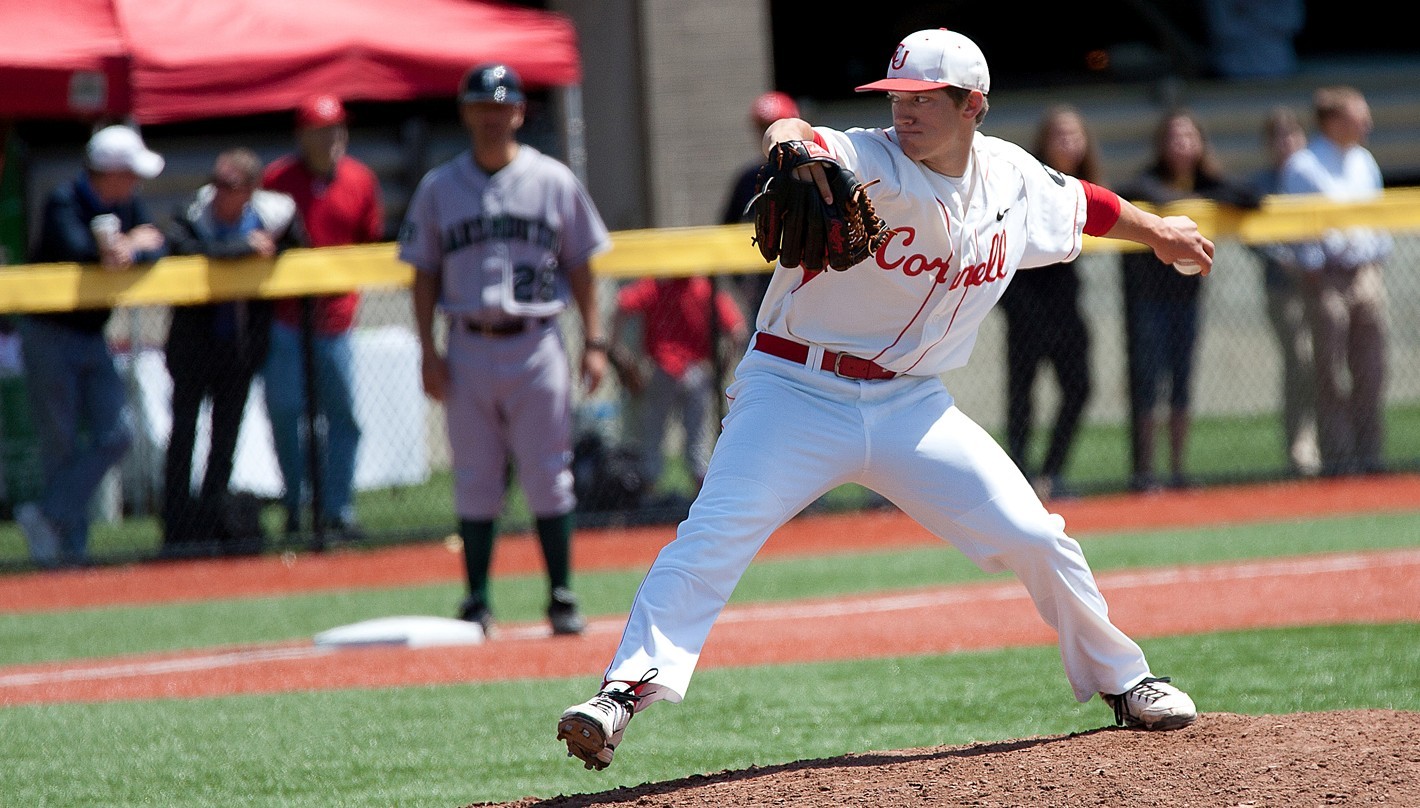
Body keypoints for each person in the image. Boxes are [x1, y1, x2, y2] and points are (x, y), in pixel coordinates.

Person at [557, 28, 1211, 772]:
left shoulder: (1010, 179)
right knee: (712, 535)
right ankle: (619, 694)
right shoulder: (871, 159)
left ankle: (1124, 682)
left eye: (925, 99)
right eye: (897, 96)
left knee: (1035, 536)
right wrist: (790, 150)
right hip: (793, 390)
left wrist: (1157, 229)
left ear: (974, 106)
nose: (905, 111)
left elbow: (1083, 204)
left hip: (911, 408)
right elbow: (796, 131)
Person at [399, 63, 612, 638]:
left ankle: (562, 595)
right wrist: (427, 350)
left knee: (549, 473)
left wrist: (593, 341)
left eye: (502, 106)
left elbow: (581, 266)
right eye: (481, 107)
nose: (493, 117)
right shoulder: (439, 187)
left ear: (519, 112)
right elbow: (421, 274)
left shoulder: (553, 180)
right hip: (467, 343)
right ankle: (476, 600)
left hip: (538, 342)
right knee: (474, 476)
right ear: (467, 113)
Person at [15, 124, 167, 567]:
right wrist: (121, 247)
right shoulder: (64, 200)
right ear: (109, 172)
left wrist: (134, 247)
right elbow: (81, 249)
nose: (136, 184)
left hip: (91, 335)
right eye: (130, 173)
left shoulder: (126, 203)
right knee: (58, 442)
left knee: (118, 433)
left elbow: (155, 240)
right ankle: (68, 552)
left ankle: (47, 517)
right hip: (49, 334)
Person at [159, 148, 305, 555]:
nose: (218, 191)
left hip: (238, 350)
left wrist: (270, 247)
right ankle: (175, 529)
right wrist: (241, 248)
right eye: (216, 181)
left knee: (223, 442)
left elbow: (301, 249)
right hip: (191, 349)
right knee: (183, 436)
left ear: (250, 191)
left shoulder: (273, 216)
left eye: (230, 185)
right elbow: (182, 248)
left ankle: (209, 525)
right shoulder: (193, 213)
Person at [261, 94, 384, 541]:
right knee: (285, 411)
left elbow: (371, 241)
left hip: (336, 319)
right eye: (320, 130)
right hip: (287, 317)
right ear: (303, 135)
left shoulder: (360, 179)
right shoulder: (278, 179)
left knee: (344, 417)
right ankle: (296, 505)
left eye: (336, 129)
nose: (331, 138)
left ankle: (337, 510)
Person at [1117, 109, 1261, 492]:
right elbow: (1151, 197)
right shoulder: (1147, 182)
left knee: (1182, 381)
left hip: (1187, 299)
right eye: (1174, 137)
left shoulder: (1208, 181)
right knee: (1148, 383)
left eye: (1189, 137)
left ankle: (1177, 470)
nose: (1181, 145)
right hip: (1148, 300)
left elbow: (1251, 198)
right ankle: (1144, 472)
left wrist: (1204, 194)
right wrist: (1195, 200)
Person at [1278, 86, 1392, 476]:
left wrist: (1377, 257)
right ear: (1333, 120)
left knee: (1372, 367)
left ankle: (1370, 453)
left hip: (1365, 272)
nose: (1367, 123)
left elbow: (1378, 215)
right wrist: (1313, 268)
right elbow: (1296, 228)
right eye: (1358, 115)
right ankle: (1339, 459)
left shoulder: (1364, 160)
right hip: (1326, 275)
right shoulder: (1304, 165)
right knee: (1329, 369)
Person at [997, 105, 1100, 501]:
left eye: (1075, 134)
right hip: (1024, 303)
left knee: (1079, 387)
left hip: (1066, 307)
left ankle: (1051, 473)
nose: (1069, 142)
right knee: (1022, 393)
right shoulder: (1029, 177)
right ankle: (1020, 476)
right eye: (1060, 134)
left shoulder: (1088, 182)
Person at [607, 275, 748, 499]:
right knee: (698, 441)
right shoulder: (703, 287)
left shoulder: (657, 285)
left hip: (662, 370)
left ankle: (648, 498)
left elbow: (620, 303)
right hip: (697, 372)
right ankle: (703, 499)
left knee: (653, 438)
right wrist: (723, 367)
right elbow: (737, 331)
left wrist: (618, 350)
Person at [1248, 106, 1320, 478]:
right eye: (1278, 135)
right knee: (1300, 361)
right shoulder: (1263, 181)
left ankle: (1338, 445)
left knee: (1328, 362)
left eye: (1293, 133)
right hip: (1284, 288)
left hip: (1325, 282)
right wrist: (1286, 257)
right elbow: (1252, 234)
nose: (1286, 142)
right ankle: (1301, 448)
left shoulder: (1315, 174)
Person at [720, 91, 802, 316]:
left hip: (808, 277)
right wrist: (740, 280)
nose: (768, 134)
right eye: (761, 127)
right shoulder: (748, 179)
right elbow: (726, 230)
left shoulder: (810, 172)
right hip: (764, 282)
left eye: (774, 126)